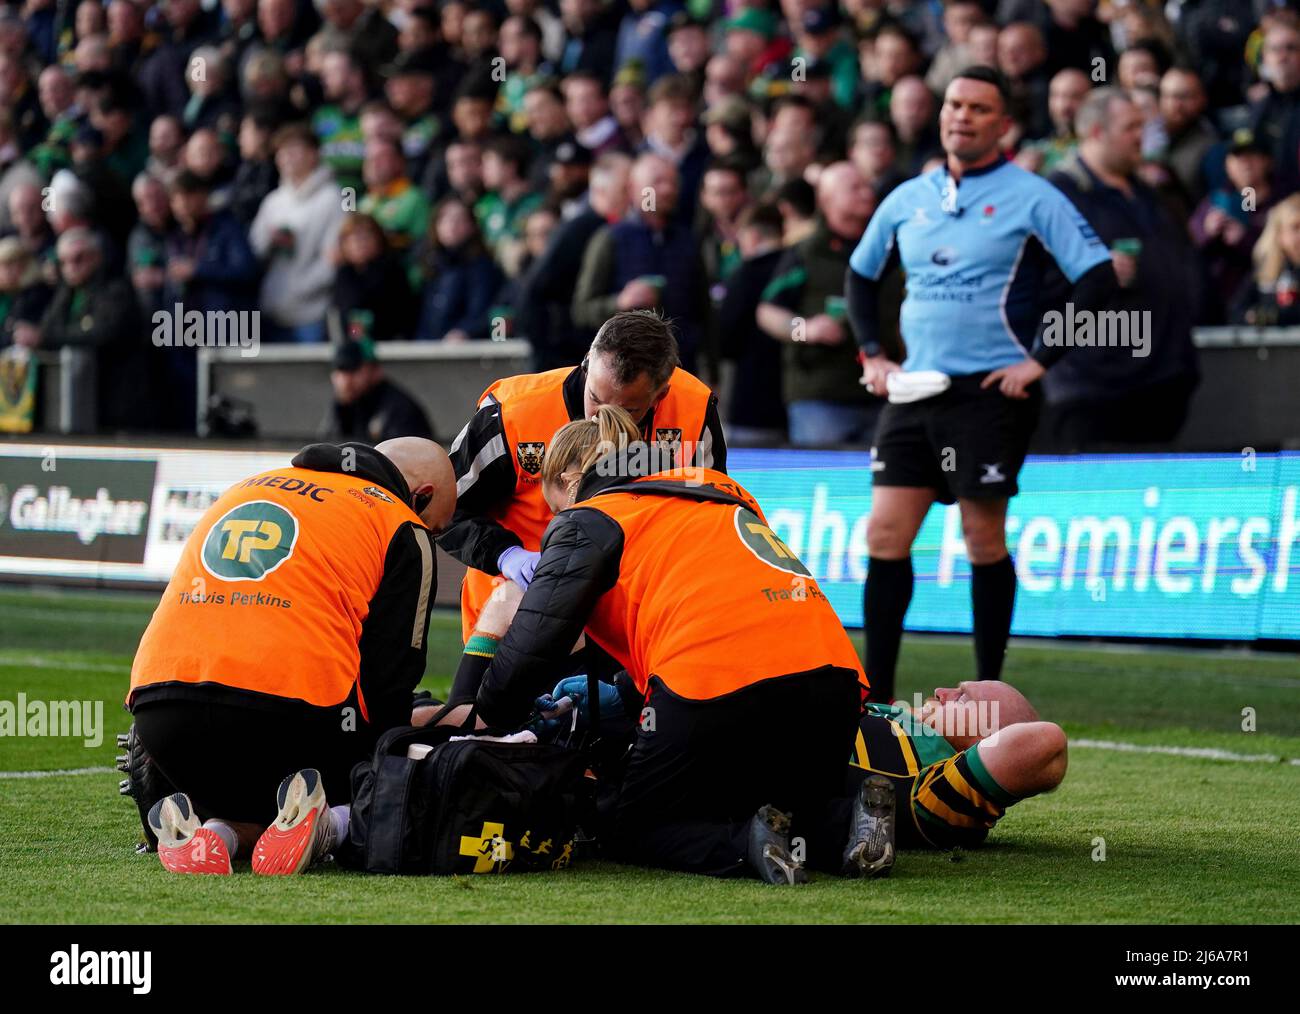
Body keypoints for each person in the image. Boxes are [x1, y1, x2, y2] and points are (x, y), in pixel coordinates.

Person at [450, 404, 891, 884]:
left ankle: (743, 843)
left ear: (567, 481)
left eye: (550, 506)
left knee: (630, 824)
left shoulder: (589, 517)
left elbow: (536, 642)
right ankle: (846, 820)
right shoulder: (723, 492)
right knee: (763, 799)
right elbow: (704, 594)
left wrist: (484, 714)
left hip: (715, 678)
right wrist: (626, 688)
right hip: (833, 678)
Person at [845, 67, 1116, 703]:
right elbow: (860, 276)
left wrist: (1041, 360)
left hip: (991, 397)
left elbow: (1098, 278)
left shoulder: (1033, 195)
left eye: (978, 108)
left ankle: (987, 691)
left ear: (1003, 123)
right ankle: (877, 699)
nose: (961, 116)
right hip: (914, 392)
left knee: (981, 538)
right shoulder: (909, 196)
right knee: (885, 534)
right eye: (953, 104)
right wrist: (873, 355)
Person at [126, 436, 455, 875]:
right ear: (423, 497)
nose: (431, 537)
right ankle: (327, 825)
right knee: (407, 752)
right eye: (436, 527)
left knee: (248, 778)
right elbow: (390, 680)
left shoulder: (247, 486)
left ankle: (214, 834)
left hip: (160, 716)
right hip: (288, 726)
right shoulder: (399, 521)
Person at [439, 310, 726, 641]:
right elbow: (444, 508)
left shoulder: (692, 410)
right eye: (595, 399)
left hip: (635, 623)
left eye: (626, 410)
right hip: (513, 613)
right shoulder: (514, 413)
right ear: (587, 362)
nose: (602, 418)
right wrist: (507, 556)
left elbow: (708, 520)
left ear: (659, 394)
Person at [1043, 88, 1200, 449]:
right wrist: (1091, 274)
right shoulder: (1056, 198)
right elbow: (1030, 283)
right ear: (1097, 132)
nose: (1140, 136)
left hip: (1160, 383)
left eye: (1142, 126)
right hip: (1095, 389)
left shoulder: (1146, 190)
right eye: (1130, 127)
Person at [847, 680, 1068, 850]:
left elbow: (1047, 742)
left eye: (962, 699)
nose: (940, 692)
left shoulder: (941, 789)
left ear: (988, 737)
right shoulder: (899, 720)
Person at [758, 161, 882, 447]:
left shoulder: (885, 248)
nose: (866, 193)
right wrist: (806, 329)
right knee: (824, 485)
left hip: (881, 391)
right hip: (821, 398)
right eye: (854, 188)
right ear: (827, 200)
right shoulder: (806, 251)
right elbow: (767, 312)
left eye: (866, 186)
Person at [249, 124, 346, 343]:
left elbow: (334, 259)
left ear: (313, 155)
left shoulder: (335, 198)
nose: (286, 158)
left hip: (312, 315)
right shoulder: (273, 201)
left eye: (293, 151)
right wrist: (269, 241)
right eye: (281, 153)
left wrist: (295, 291)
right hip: (271, 312)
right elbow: (254, 250)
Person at [322, 337, 435, 443]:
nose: (344, 381)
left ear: (376, 371)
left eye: (353, 371)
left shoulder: (398, 408)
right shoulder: (343, 404)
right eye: (339, 372)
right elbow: (326, 448)